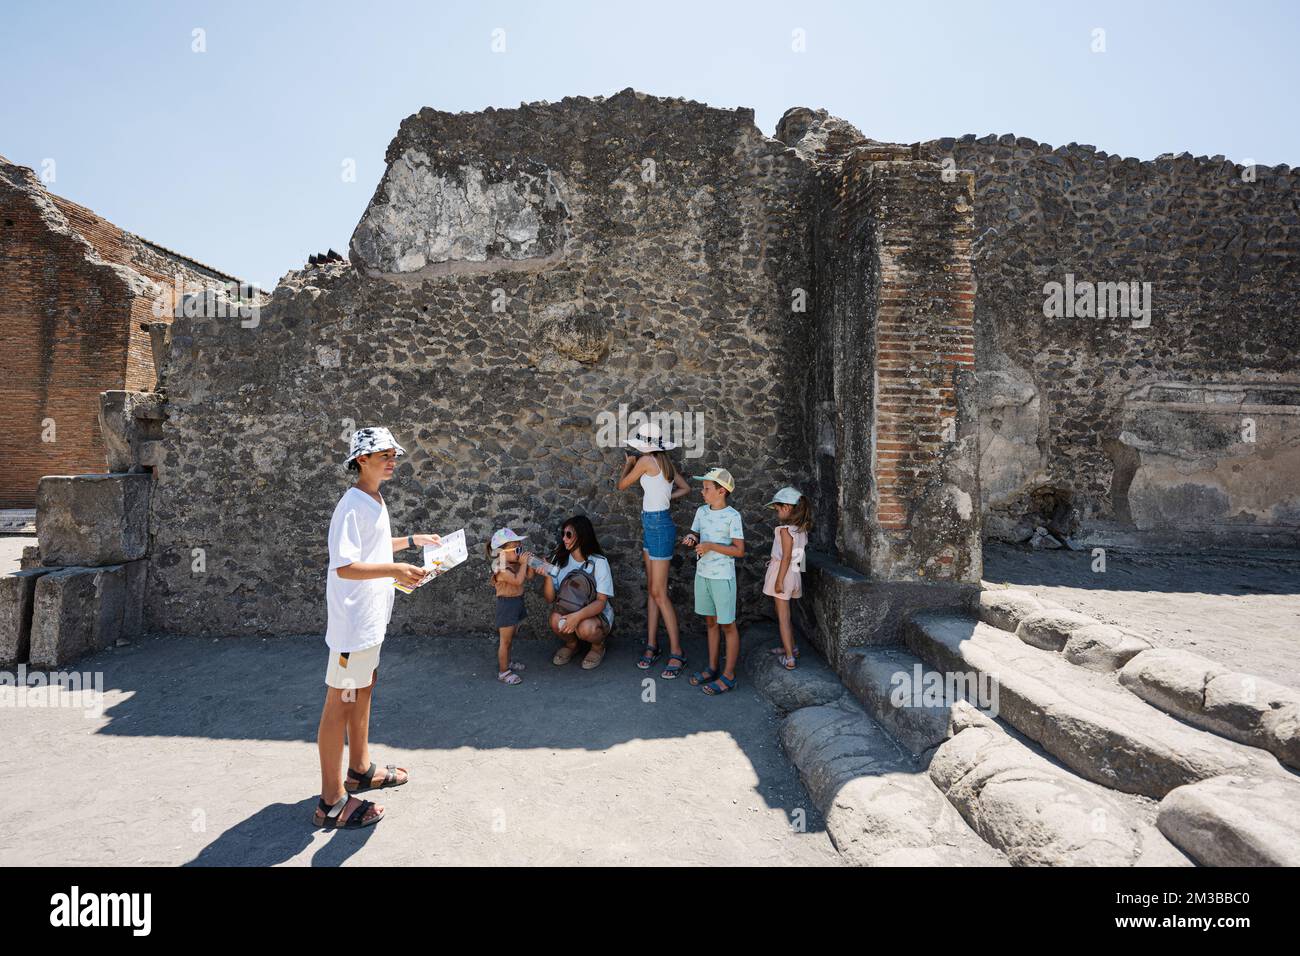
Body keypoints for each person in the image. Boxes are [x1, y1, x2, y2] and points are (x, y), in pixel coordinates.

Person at [312, 426, 442, 830]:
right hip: (353, 627)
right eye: (383, 454)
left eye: (393, 454)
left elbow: (374, 547)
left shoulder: (373, 498)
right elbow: (345, 565)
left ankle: (360, 769)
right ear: (360, 459)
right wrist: (397, 569)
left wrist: (412, 540)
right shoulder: (350, 505)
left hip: (369, 623)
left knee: (362, 690)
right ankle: (331, 801)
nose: (391, 460)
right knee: (339, 705)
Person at [616, 422, 690, 678]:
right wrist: (667, 499)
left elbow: (622, 485)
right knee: (653, 590)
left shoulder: (646, 460)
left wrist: (628, 463)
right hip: (655, 522)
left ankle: (677, 652)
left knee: (658, 593)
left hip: (657, 526)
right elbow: (686, 488)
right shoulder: (665, 463)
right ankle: (652, 646)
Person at [683, 468, 745, 695]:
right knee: (710, 622)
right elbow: (696, 534)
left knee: (728, 625)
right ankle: (712, 667)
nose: (702, 491)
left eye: (707, 488)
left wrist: (710, 546)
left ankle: (728, 676)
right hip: (703, 575)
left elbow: (739, 551)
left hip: (722, 579)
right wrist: (692, 538)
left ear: (721, 491)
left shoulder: (733, 516)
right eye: (703, 488)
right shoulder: (701, 511)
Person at [536, 515, 615, 670]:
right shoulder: (560, 560)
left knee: (586, 628)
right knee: (554, 620)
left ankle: (598, 647)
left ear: (582, 536)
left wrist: (576, 617)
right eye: (563, 534)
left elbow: (601, 602)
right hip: (568, 609)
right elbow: (550, 598)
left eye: (569, 534)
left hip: (595, 615)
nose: (564, 539)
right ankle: (572, 644)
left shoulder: (599, 562)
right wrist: (547, 577)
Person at [762, 486, 812, 670]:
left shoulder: (784, 530)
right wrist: (796, 576)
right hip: (795, 573)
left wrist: (779, 580)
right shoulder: (801, 530)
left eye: (777, 509)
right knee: (787, 615)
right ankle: (792, 647)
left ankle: (790, 658)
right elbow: (799, 557)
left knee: (782, 617)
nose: (777, 514)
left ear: (787, 508)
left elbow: (786, 557)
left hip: (783, 573)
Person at [487, 527, 535, 685]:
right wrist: (522, 564)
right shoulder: (500, 568)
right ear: (502, 552)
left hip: (517, 602)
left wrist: (530, 565)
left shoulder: (514, 563)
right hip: (506, 606)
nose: (520, 552)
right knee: (505, 641)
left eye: (521, 548)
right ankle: (503, 672)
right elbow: (518, 581)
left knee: (511, 637)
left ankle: (507, 661)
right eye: (517, 549)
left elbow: (528, 576)